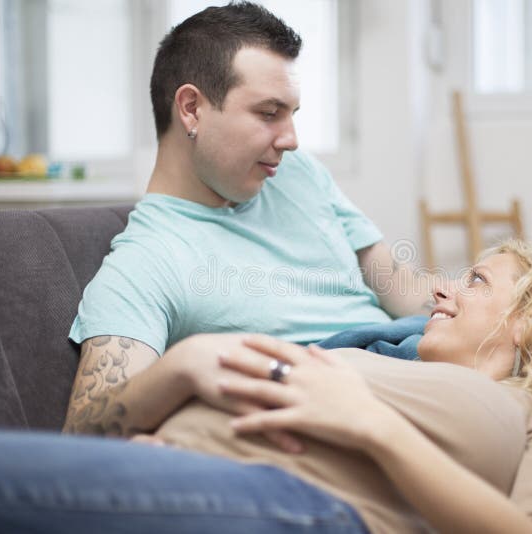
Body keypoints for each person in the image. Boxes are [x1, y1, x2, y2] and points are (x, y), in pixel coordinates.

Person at [0, 239, 532, 533]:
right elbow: (90, 427)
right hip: (163, 465)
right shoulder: (397, 366)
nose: (442, 290)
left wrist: (371, 425)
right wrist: (186, 368)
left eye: (474, 282)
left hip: (291, 504)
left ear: (530, 322)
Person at [62, 2, 431, 443]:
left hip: (423, 364)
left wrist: (476, 307)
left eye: (292, 113)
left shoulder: (300, 175)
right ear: (192, 109)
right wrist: (186, 363)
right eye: (269, 113)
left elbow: (399, 287)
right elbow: (83, 428)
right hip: (362, 406)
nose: (291, 139)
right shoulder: (148, 261)